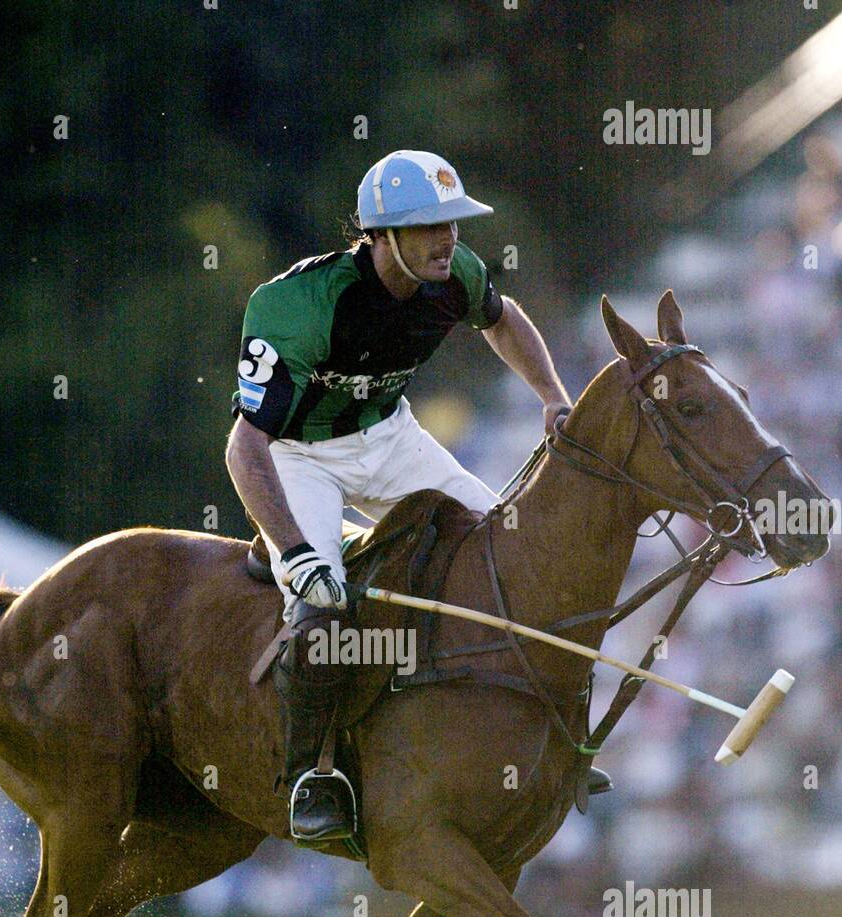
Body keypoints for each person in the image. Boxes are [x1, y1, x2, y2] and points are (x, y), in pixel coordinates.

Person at [227, 149, 605, 842]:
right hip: (297, 455)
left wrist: (553, 396)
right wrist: (296, 552)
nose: (448, 239)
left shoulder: (454, 274)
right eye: (429, 225)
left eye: (453, 222)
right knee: (320, 612)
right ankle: (314, 774)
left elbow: (502, 317)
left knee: (511, 558)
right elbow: (244, 446)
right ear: (380, 235)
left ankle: (560, 740)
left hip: (391, 438)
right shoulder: (296, 307)